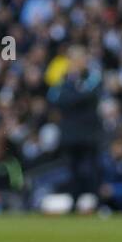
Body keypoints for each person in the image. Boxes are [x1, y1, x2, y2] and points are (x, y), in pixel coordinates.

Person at [48, 46, 103, 211]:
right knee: (72, 170)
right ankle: (74, 202)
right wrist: (79, 95)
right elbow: (56, 99)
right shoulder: (64, 80)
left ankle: (94, 201)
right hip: (70, 134)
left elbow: (91, 94)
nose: (77, 63)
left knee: (91, 169)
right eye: (74, 59)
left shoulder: (93, 77)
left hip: (89, 133)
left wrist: (73, 96)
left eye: (80, 59)